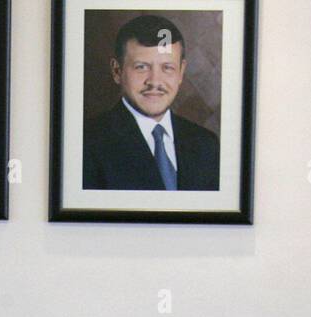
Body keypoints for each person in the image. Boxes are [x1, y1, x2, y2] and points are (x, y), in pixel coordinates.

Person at [82, 14, 220, 191]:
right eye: (141, 67)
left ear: (181, 72)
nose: (155, 81)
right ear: (117, 71)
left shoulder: (206, 145)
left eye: (167, 67)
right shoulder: (88, 144)